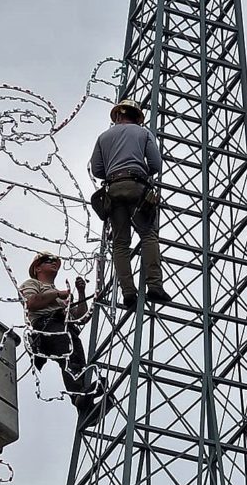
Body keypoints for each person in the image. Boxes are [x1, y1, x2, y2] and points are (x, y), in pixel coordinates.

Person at [90, 99, 172, 308]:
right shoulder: (144, 134)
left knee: (120, 243)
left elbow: (97, 170)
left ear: (117, 116)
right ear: (138, 117)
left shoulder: (103, 137)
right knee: (148, 235)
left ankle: (128, 292)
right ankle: (154, 285)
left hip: (113, 189)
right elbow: (155, 164)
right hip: (138, 187)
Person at [20, 251, 112, 427]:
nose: (54, 263)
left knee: (76, 359)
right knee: (70, 357)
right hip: (46, 327)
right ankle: (78, 394)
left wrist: (81, 291)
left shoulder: (61, 295)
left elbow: (80, 317)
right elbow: (31, 303)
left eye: (55, 261)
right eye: (48, 261)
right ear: (37, 267)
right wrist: (57, 294)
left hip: (64, 328)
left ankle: (85, 406)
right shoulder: (32, 284)